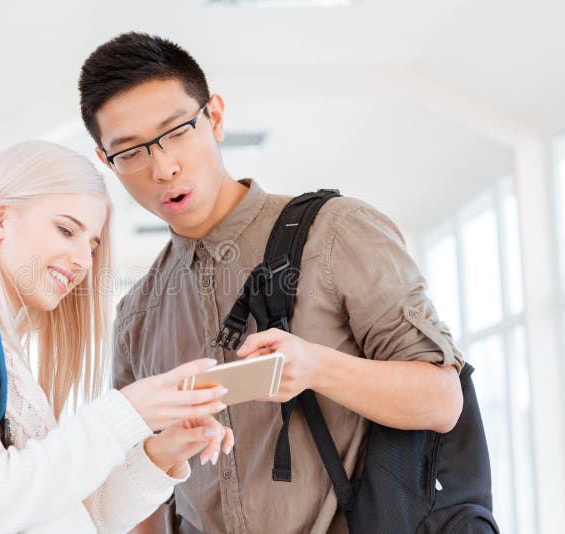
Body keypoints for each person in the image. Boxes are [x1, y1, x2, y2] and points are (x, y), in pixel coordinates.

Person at [79, 33, 464, 533]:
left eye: (177, 131)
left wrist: (316, 367)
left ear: (214, 117)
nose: (163, 167)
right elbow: (141, 488)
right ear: (106, 162)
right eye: (130, 152)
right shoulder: (137, 312)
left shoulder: (336, 231)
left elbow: (441, 400)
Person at [0, 140, 234, 533]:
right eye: (66, 229)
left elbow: (70, 520)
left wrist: (161, 452)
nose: (84, 262)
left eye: (92, 245)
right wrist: (126, 411)